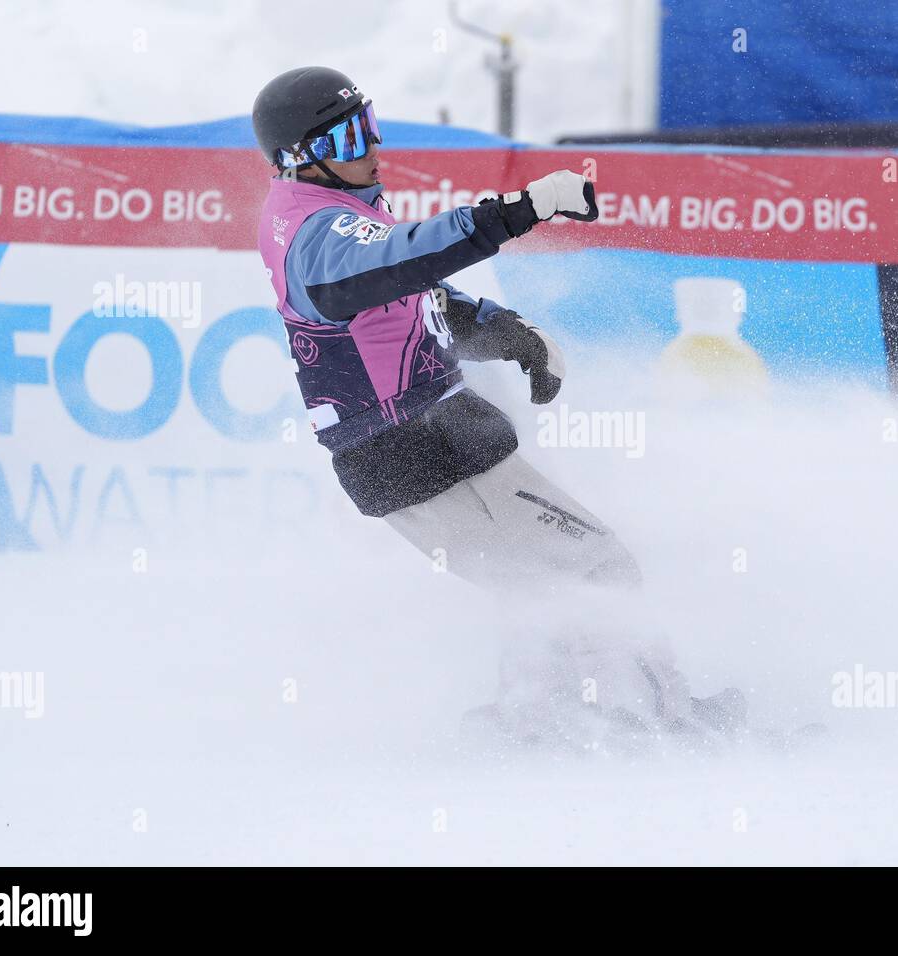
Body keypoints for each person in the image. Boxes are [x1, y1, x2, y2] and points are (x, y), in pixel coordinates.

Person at [252, 67, 743, 746]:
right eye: (344, 137)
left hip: (415, 447)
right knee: (600, 568)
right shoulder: (314, 233)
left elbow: (402, 293)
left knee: (537, 589)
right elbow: (398, 260)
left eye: (367, 122)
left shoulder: (321, 219)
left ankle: (535, 720)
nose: (370, 145)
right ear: (300, 159)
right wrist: (522, 207)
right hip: (424, 448)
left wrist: (508, 332)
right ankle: (669, 722)